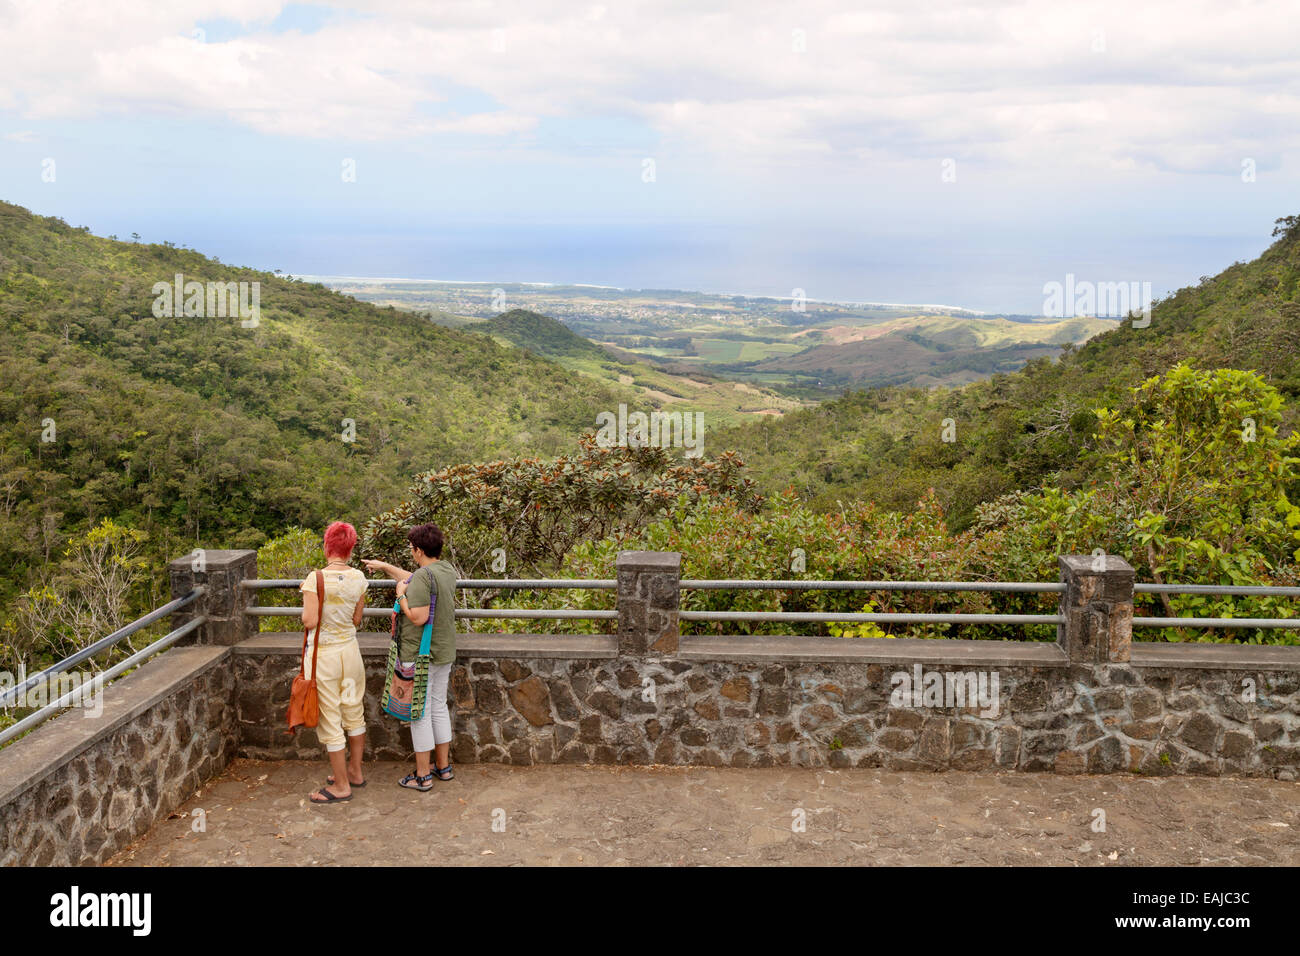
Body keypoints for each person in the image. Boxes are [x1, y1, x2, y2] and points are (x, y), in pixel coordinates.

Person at [363, 522, 458, 791]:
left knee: (419, 713)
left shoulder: (422, 579)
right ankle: (443, 768)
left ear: (417, 550)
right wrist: (385, 567)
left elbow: (418, 616)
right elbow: (416, 578)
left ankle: (422, 776)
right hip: (443, 651)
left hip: (421, 656)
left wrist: (400, 597)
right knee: (438, 706)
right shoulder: (445, 570)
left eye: (412, 549)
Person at [302, 521, 369, 804]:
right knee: (353, 710)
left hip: (325, 658)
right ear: (350, 548)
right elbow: (356, 619)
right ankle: (355, 771)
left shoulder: (314, 579)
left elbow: (310, 620)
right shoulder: (360, 579)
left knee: (330, 718)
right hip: (350, 654)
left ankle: (341, 786)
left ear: (327, 546)